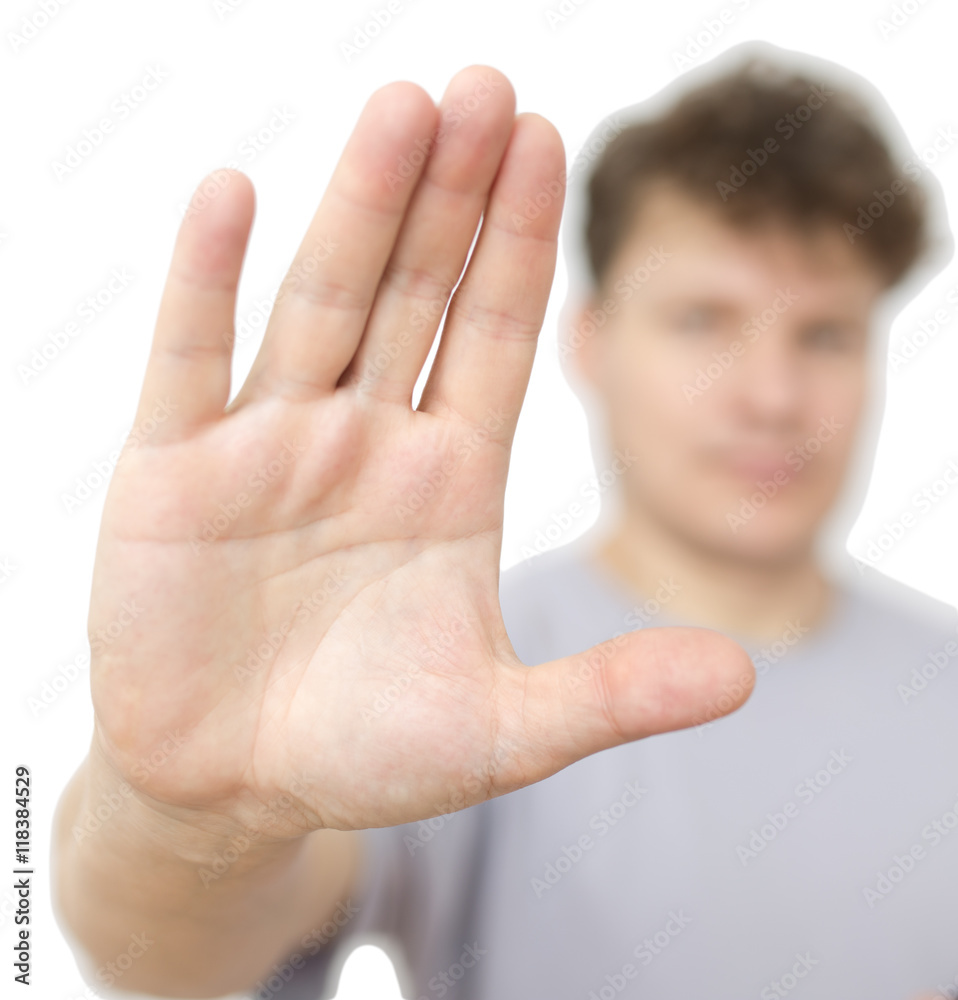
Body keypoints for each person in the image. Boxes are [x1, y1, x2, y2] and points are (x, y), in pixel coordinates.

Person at [52, 46, 957, 1000]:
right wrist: (191, 819)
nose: (773, 396)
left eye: (825, 335)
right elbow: (167, 955)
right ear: (592, 341)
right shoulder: (441, 658)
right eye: (703, 320)